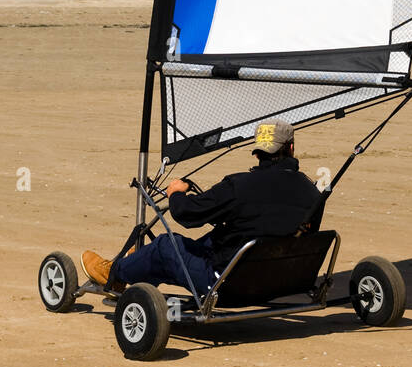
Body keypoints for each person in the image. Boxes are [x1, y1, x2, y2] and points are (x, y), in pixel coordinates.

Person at [81, 119, 324, 297]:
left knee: (167, 245)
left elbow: (187, 215)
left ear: (258, 151)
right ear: (291, 148)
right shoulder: (313, 192)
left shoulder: (238, 186)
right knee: (215, 238)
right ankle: (137, 266)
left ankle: (113, 274)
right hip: (283, 280)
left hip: (228, 285)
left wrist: (176, 193)